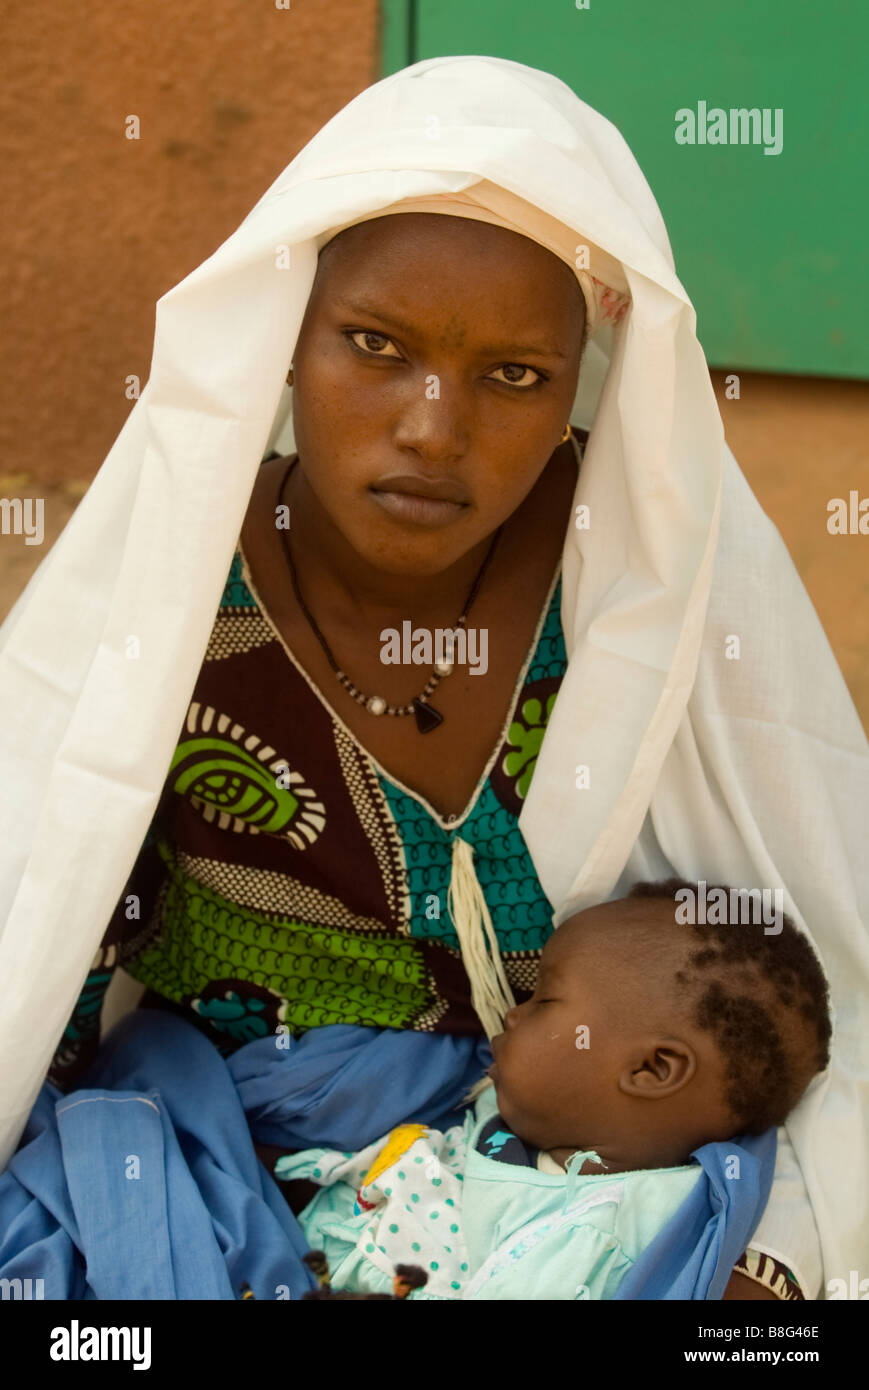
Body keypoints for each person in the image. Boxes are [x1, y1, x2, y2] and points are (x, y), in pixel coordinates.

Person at [0, 56, 866, 1303]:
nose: (432, 427)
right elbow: (43, 931)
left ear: (581, 384)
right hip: (200, 1159)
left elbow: (824, 970)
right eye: (373, 345)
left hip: (558, 1201)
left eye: (514, 375)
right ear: (285, 343)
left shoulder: (644, 577)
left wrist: (765, 1258)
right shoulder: (174, 585)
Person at [273, 881, 832, 1299]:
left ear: (653, 1069)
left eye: (544, 1001)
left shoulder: (587, 1235)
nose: (513, 1014)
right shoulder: (543, 1122)